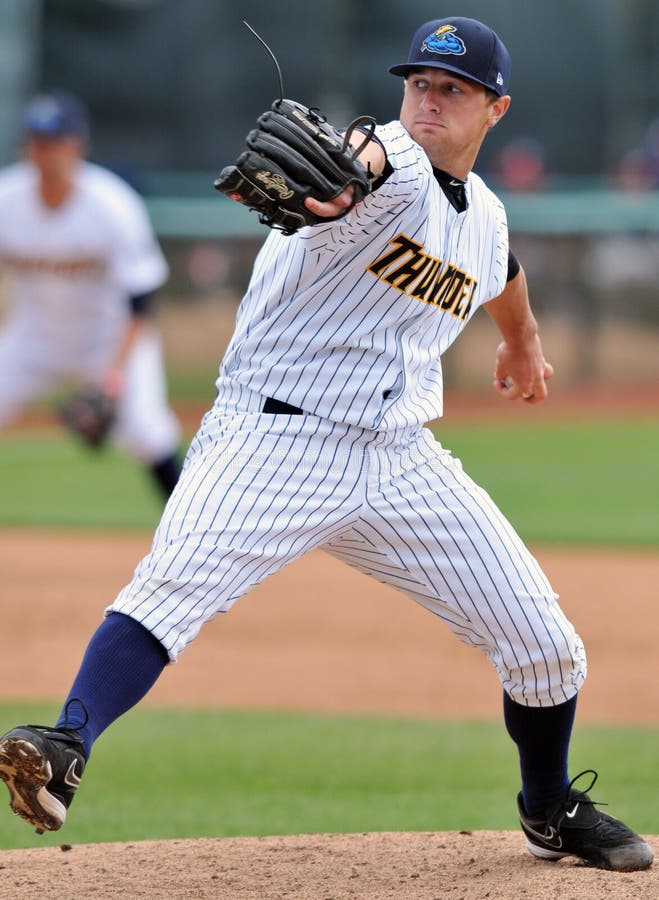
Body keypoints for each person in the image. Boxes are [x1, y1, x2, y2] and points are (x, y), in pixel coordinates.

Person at [0, 19, 653, 872]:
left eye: (450, 89)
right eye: (418, 83)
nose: (427, 100)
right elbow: (363, 161)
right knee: (168, 592)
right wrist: (345, 189)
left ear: (494, 108)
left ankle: (547, 808)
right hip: (274, 438)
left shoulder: (483, 216)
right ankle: (64, 743)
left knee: (545, 647)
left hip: (398, 459)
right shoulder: (391, 158)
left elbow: (501, 270)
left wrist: (522, 342)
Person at [0, 90, 182, 499]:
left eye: (55, 140)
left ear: (78, 144)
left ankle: (196, 538)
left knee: (149, 433)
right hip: (34, 338)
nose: (46, 151)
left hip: (110, 339)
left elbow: (142, 305)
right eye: (37, 141)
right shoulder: (6, 200)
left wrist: (113, 381)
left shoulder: (112, 204)